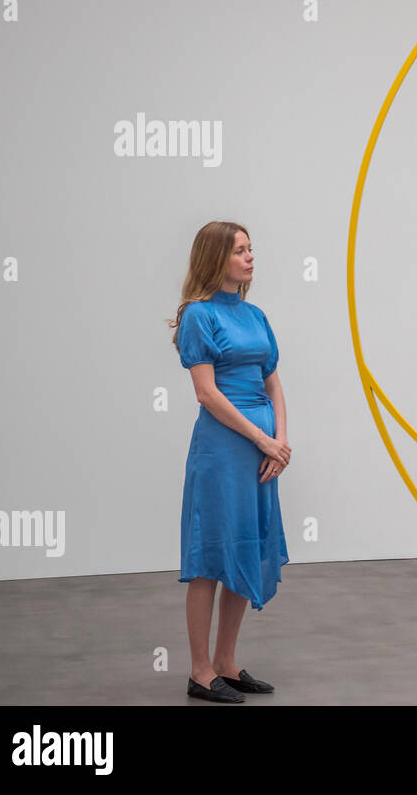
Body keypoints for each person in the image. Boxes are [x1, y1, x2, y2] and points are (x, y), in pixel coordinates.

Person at [167, 221, 291, 702]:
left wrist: (281, 440)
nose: (250, 257)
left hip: (261, 448)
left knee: (244, 545)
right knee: (209, 556)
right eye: (240, 250)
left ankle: (226, 662)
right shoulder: (199, 315)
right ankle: (200, 672)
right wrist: (262, 438)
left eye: (250, 249)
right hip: (223, 449)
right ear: (215, 258)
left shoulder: (255, 315)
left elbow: (273, 382)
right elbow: (207, 393)